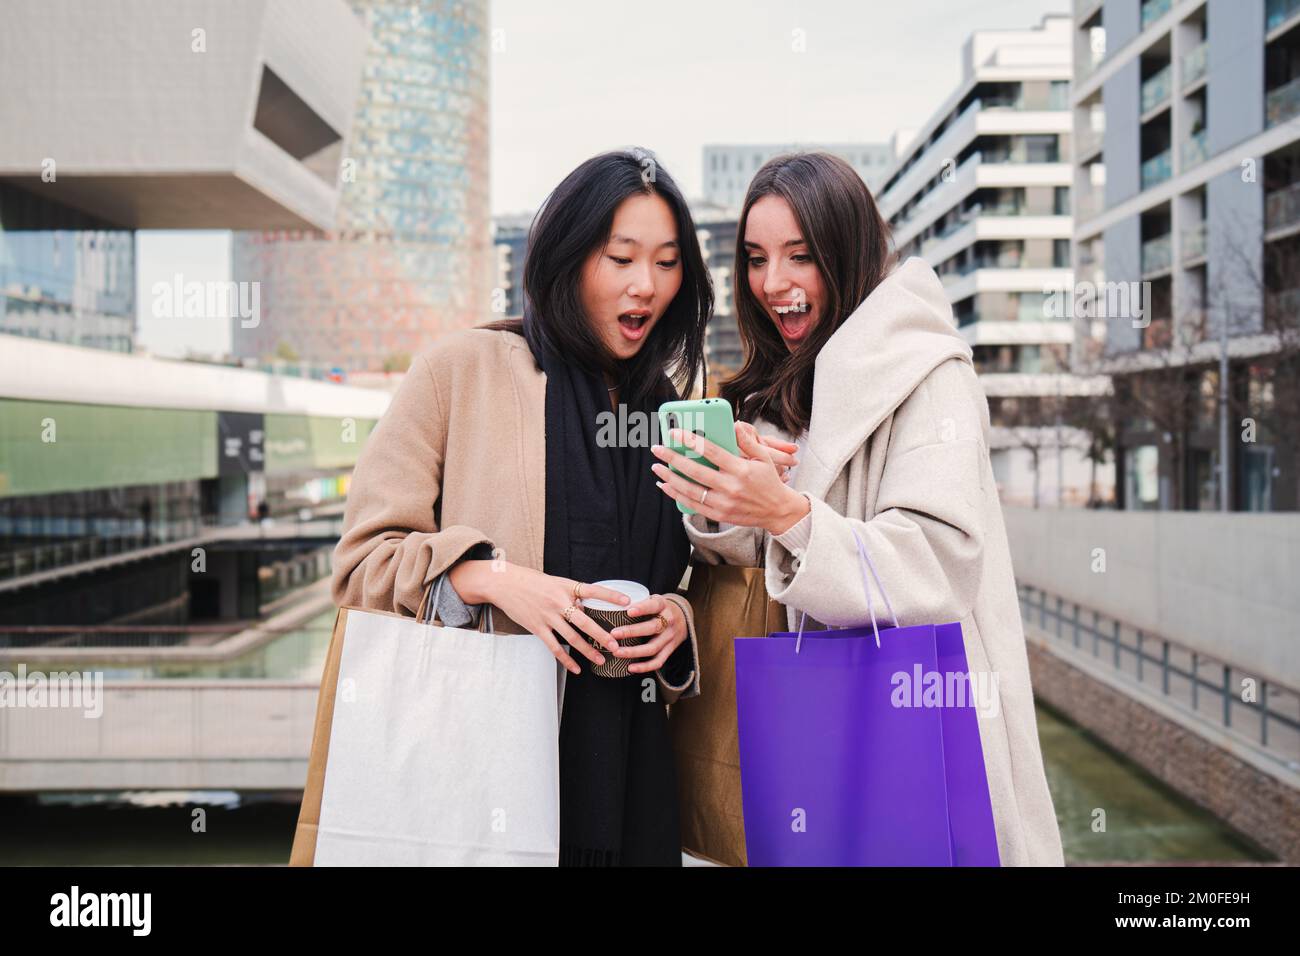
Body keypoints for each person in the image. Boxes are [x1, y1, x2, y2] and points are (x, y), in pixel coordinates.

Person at [651, 152, 1065, 866]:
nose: (772, 282)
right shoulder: (789, 381)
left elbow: (934, 565)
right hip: (822, 720)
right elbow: (780, 547)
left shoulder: (929, 376)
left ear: (846, 253)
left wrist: (785, 513)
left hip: (914, 713)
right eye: (754, 258)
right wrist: (731, 494)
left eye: (800, 255)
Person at [331, 148, 712, 866]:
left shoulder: (664, 409)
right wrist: (497, 579)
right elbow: (362, 565)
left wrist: (676, 622)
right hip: (485, 769)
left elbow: (693, 579)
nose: (646, 286)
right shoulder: (458, 372)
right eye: (621, 257)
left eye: (667, 263)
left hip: (637, 778)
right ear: (569, 259)